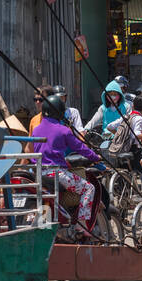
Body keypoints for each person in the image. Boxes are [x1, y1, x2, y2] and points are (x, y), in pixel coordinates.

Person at [32, 92, 100, 237]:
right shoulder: (64, 130)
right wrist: (95, 157)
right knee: (89, 188)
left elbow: (34, 151)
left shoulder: (36, 129)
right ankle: (81, 225)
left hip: (38, 174)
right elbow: (80, 147)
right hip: (57, 174)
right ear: (59, 112)